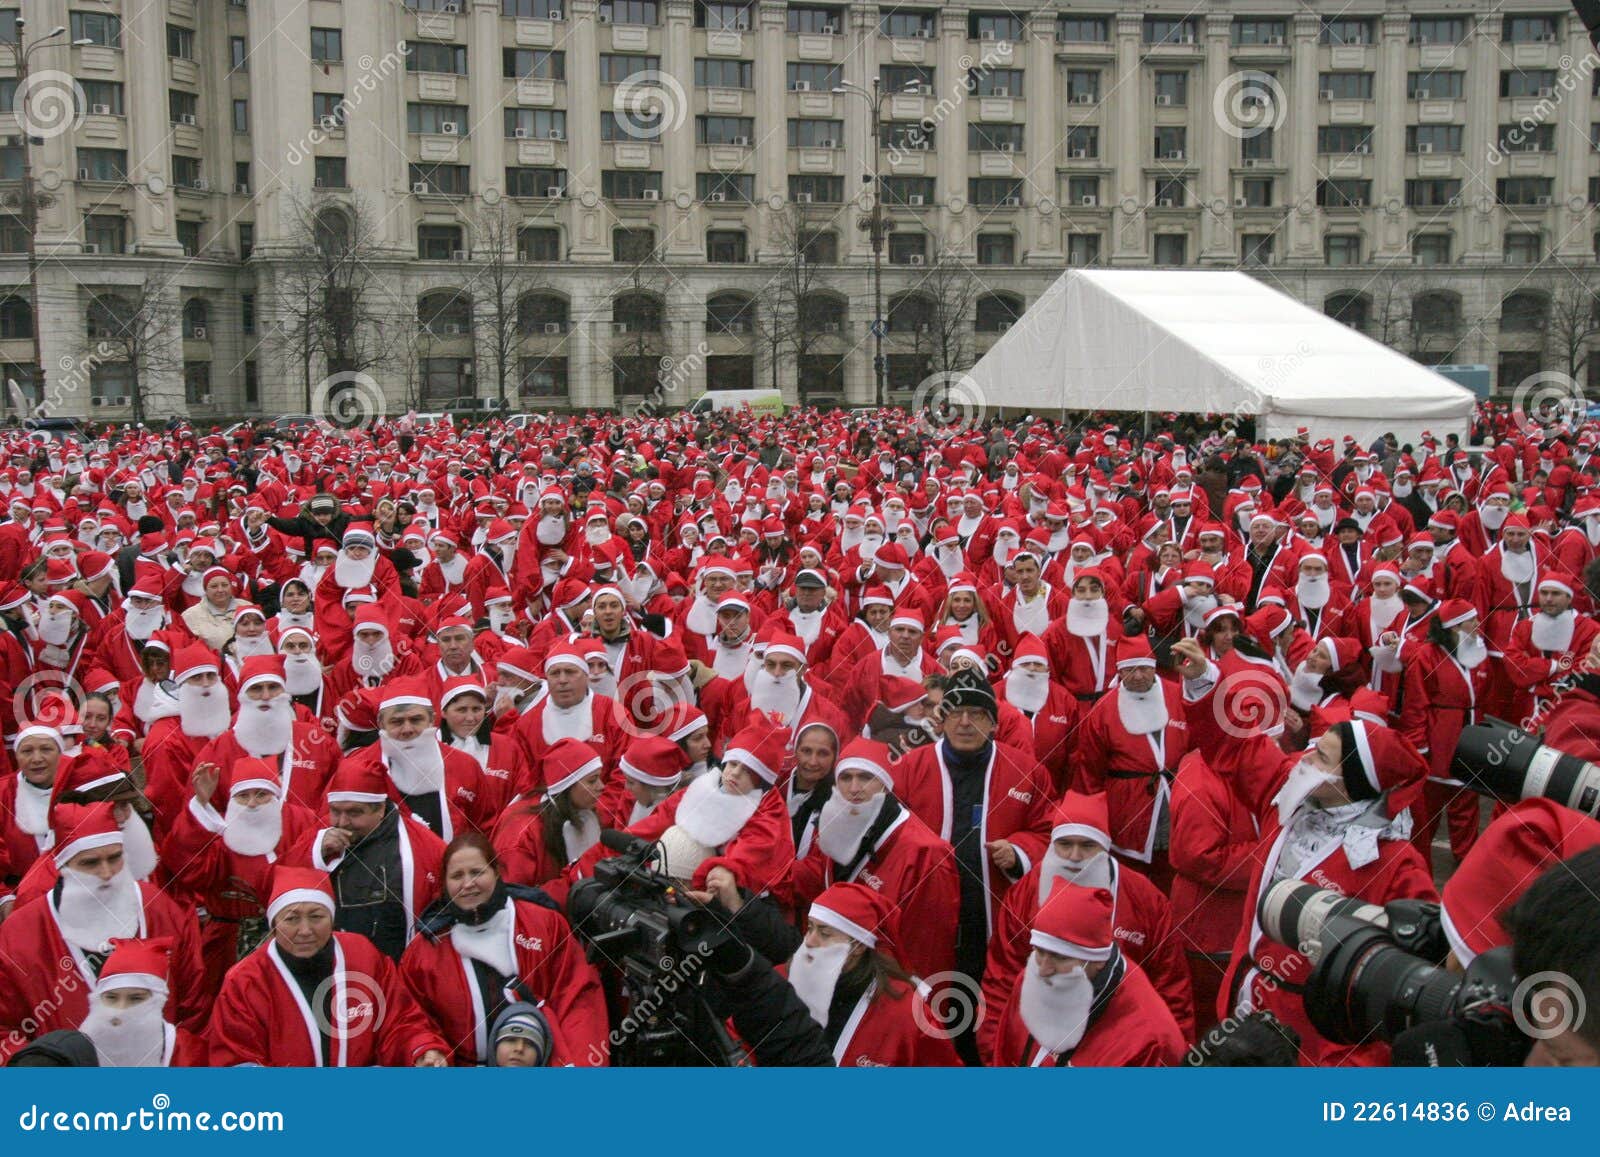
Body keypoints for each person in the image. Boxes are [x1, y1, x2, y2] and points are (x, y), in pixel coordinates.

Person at [0, 803, 208, 1060]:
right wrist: (43, 1067)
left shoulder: (160, 910)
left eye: (114, 858)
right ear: (63, 867)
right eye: (90, 863)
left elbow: (195, 1006)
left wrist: (177, 1060)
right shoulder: (21, 934)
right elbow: (5, 1029)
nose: (106, 873)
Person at [401, 834, 609, 1066]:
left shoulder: (544, 924)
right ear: (445, 883)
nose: (468, 884)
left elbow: (578, 999)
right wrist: (428, 1049)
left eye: (477, 872)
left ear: (496, 872)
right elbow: (411, 1015)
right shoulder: (425, 949)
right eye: (457, 876)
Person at [208, 867, 449, 1067]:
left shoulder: (363, 957)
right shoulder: (245, 981)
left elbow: (400, 1022)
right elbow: (237, 1058)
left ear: (332, 919)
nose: (305, 930)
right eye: (291, 919)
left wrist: (421, 1050)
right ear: (273, 925)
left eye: (316, 916)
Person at [792, 738, 958, 983]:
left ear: (885, 786)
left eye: (866, 777)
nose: (854, 788)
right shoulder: (838, 822)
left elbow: (928, 947)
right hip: (839, 972)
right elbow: (815, 879)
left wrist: (911, 998)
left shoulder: (926, 853)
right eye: (846, 778)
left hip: (889, 983)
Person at [988, 881, 1186, 1067]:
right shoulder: (1030, 980)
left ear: (1099, 960)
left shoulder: (1150, 1042)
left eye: (1061, 958)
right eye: (1039, 951)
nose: (1043, 970)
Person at [783, 882, 959, 1066]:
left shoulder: (905, 1013)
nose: (809, 942)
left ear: (858, 946)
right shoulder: (782, 983)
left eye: (825, 934)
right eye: (810, 928)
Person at [76, 937, 206, 1066]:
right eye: (111, 998)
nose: (121, 1008)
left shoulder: (187, 1051)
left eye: (136, 998)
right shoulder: (76, 1050)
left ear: (158, 1001)